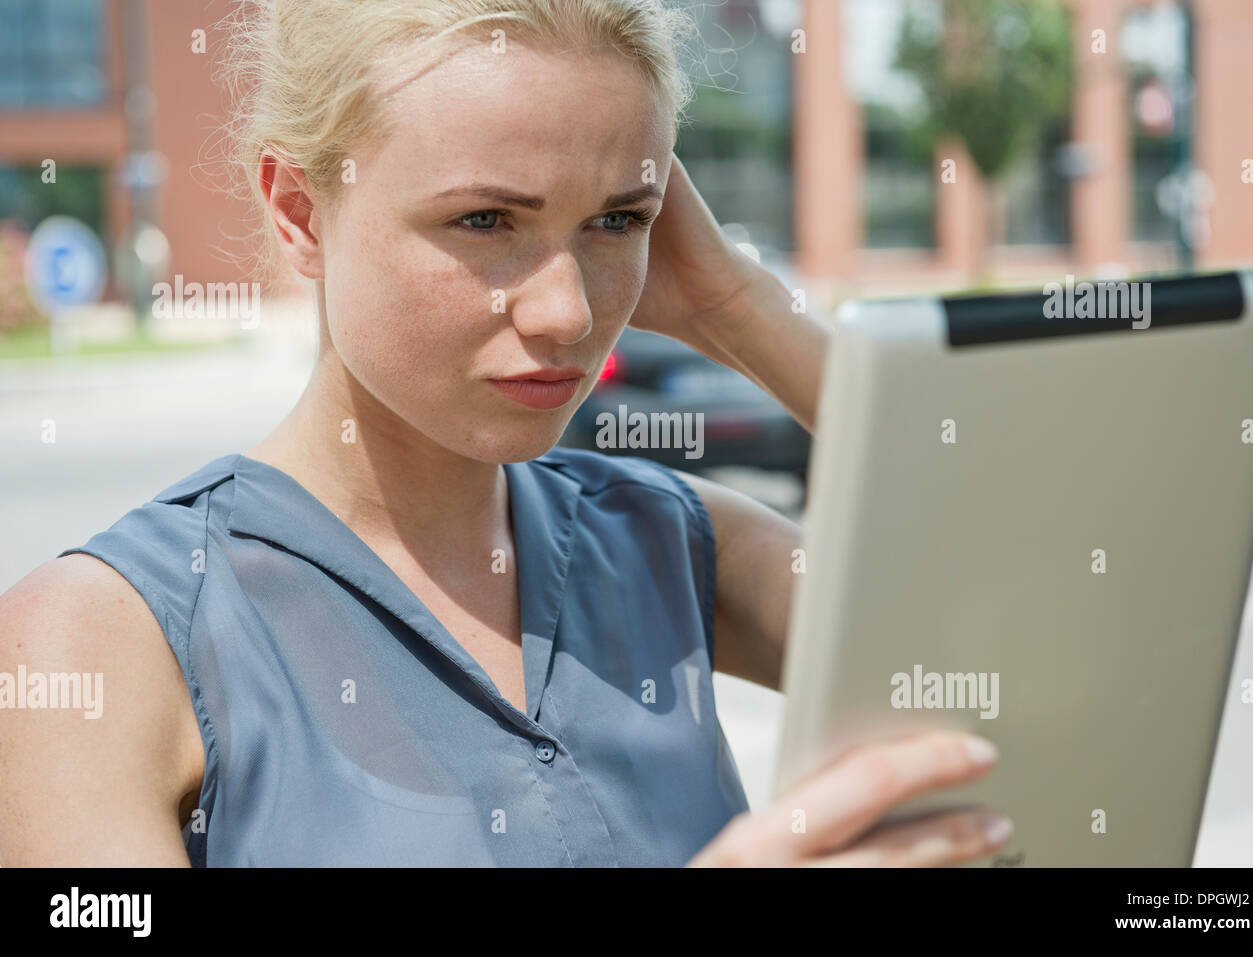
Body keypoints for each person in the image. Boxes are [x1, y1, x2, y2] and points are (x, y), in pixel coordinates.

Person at [0, 0, 1011, 867]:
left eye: (617, 221)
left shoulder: (672, 543)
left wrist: (732, 304)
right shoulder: (101, 638)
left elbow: (1058, 627)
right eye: (486, 221)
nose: (568, 311)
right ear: (300, 211)